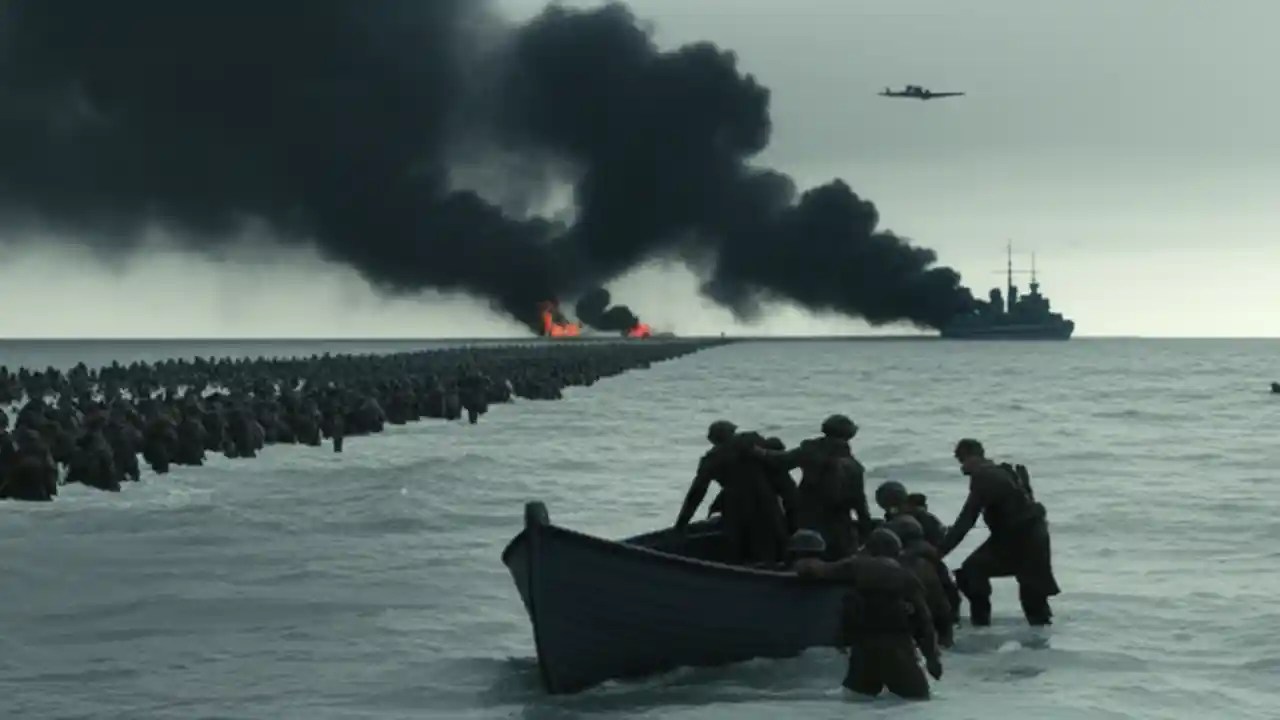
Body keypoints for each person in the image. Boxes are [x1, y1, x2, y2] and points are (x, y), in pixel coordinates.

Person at [795, 528, 942, 700]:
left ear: (869, 549)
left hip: (864, 651)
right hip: (898, 651)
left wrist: (803, 561)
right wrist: (932, 659)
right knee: (917, 700)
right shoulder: (907, 577)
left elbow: (814, 570)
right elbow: (925, 622)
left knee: (856, 702)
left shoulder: (855, 566)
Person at [938, 438, 1060, 626]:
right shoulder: (1002, 471)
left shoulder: (984, 477)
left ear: (972, 456)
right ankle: (986, 625)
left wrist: (938, 553)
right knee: (973, 571)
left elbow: (966, 521)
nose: (962, 467)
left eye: (962, 461)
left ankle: (982, 625)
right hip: (1021, 537)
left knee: (1031, 597)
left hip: (1023, 540)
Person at [754, 414, 872, 559]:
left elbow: (781, 460)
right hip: (838, 521)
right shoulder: (854, 466)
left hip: (808, 515)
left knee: (804, 550)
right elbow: (859, 501)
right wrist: (866, 528)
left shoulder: (810, 451)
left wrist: (758, 452)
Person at [674, 422, 789, 565]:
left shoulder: (712, 458)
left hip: (735, 504)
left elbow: (696, 493)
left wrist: (681, 524)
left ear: (713, 440)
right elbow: (778, 458)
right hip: (765, 499)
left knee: (738, 547)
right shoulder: (753, 441)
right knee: (775, 541)